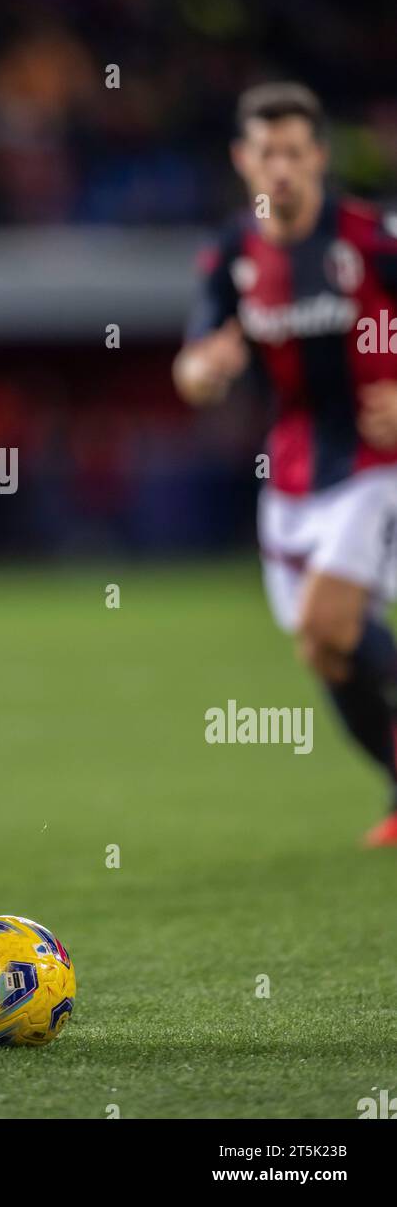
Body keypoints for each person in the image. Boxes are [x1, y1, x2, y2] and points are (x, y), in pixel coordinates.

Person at [174, 82, 397, 847]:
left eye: (295, 153)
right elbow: (194, 361)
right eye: (266, 153)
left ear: (320, 158)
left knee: (327, 621)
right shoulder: (232, 252)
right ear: (244, 160)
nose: (281, 170)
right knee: (323, 648)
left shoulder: (373, 240)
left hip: (377, 460)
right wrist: (205, 371)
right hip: (295, 473)